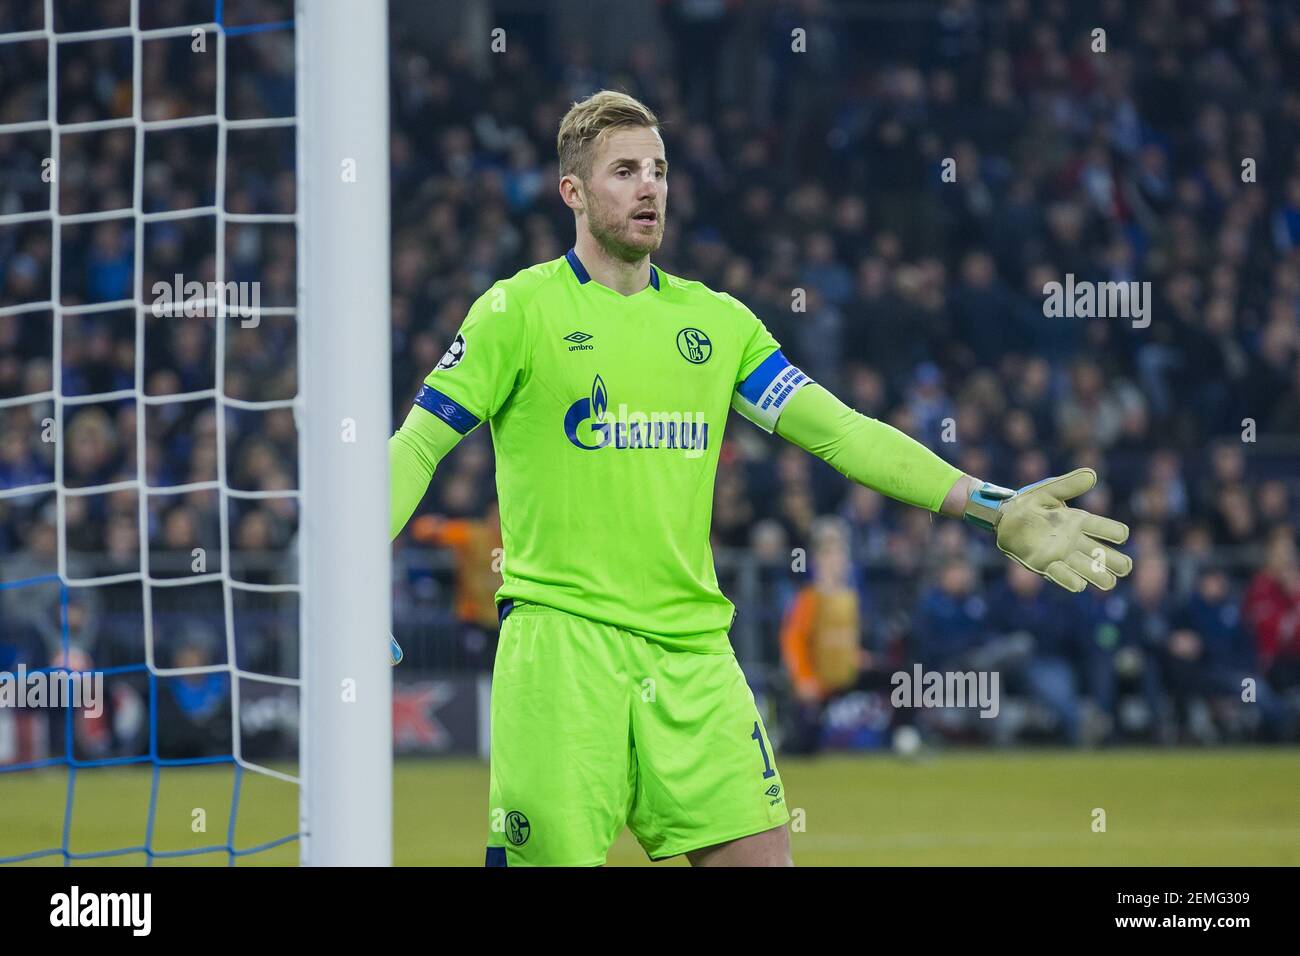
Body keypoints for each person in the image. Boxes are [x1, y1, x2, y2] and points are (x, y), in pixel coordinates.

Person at [387, 90, 1133, 867]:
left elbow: (842, 432)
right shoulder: (518, 311)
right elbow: (415, 447)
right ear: (572, 191)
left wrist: (991, 504)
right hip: (562, 654)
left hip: (695, 656)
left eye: (660, 170)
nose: (650, 187)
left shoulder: (718, 324)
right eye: (624, 171)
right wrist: (346, 585)